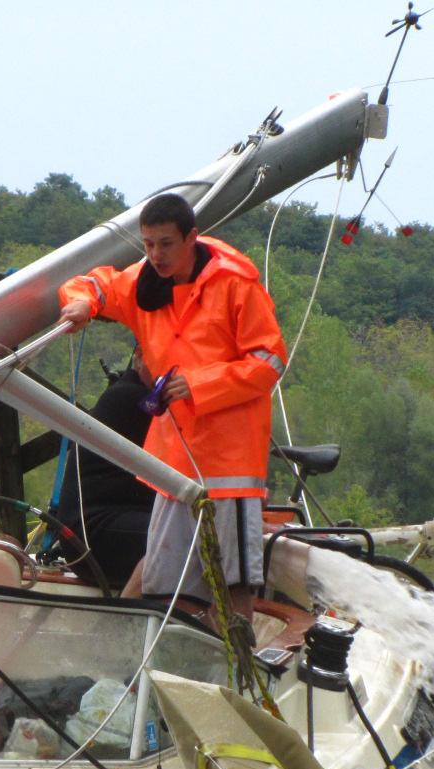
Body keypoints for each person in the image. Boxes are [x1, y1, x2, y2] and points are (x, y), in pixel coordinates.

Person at [58, 193, 286, 638]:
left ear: (191, 238)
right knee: (164, 579)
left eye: (165, 244)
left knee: (234, 584)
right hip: (175, 463)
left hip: (230, 465)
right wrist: (82, 303)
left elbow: (269, 361)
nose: (156, 255)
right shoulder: (145, 281)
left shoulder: (235, 283)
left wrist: (201, 384)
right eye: (148, 245)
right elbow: (94, 284)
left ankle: (237, 667)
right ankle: (137, 660)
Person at [49, 358, 154, 591]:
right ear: (139, 357)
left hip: (93, 534)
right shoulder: (133, 399)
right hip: (94, 537)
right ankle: (128, 610)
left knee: (190, 534)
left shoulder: (131, 394)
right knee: (186, 540)